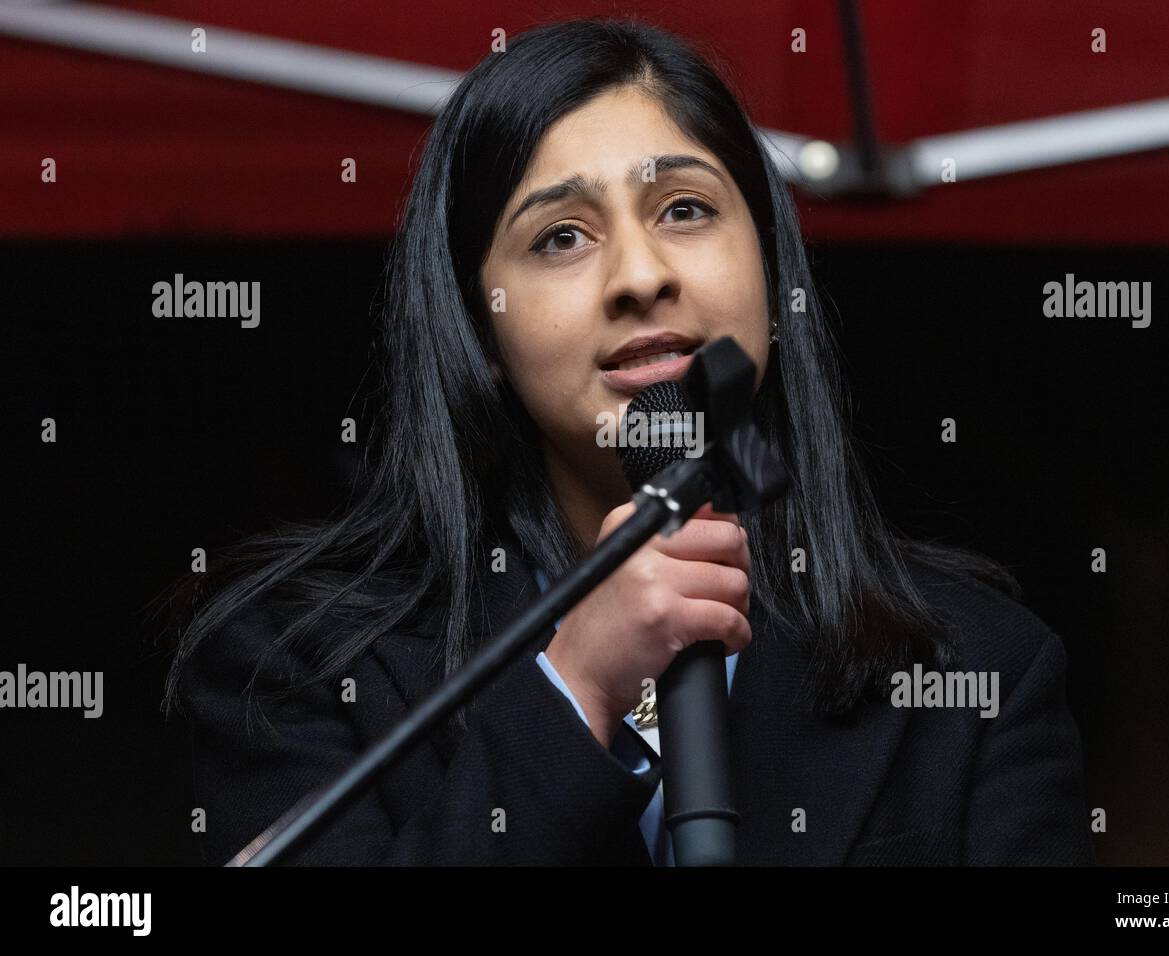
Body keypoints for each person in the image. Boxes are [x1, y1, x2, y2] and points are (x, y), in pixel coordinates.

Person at [162, 16, 1094, 866]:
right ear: (480, 334)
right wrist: (575, 691)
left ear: (770, 267)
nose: (640, 275)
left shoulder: (979, 672)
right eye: (561, 237)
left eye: (685, 209)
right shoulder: (297, 663)